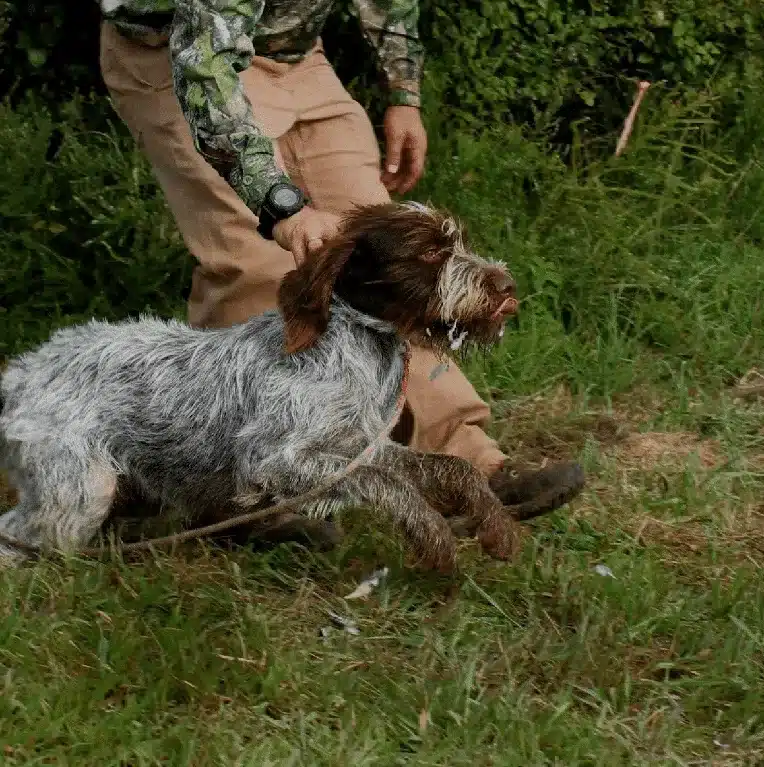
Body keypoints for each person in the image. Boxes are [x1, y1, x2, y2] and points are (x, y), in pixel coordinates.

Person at [95, 0, 585, 549]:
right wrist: (281, 207)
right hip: (179, 54)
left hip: (294, 57)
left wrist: (404, 95)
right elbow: (206, 70)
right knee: (254, 261)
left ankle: (466, 463)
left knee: (398, 264)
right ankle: (244, 499)